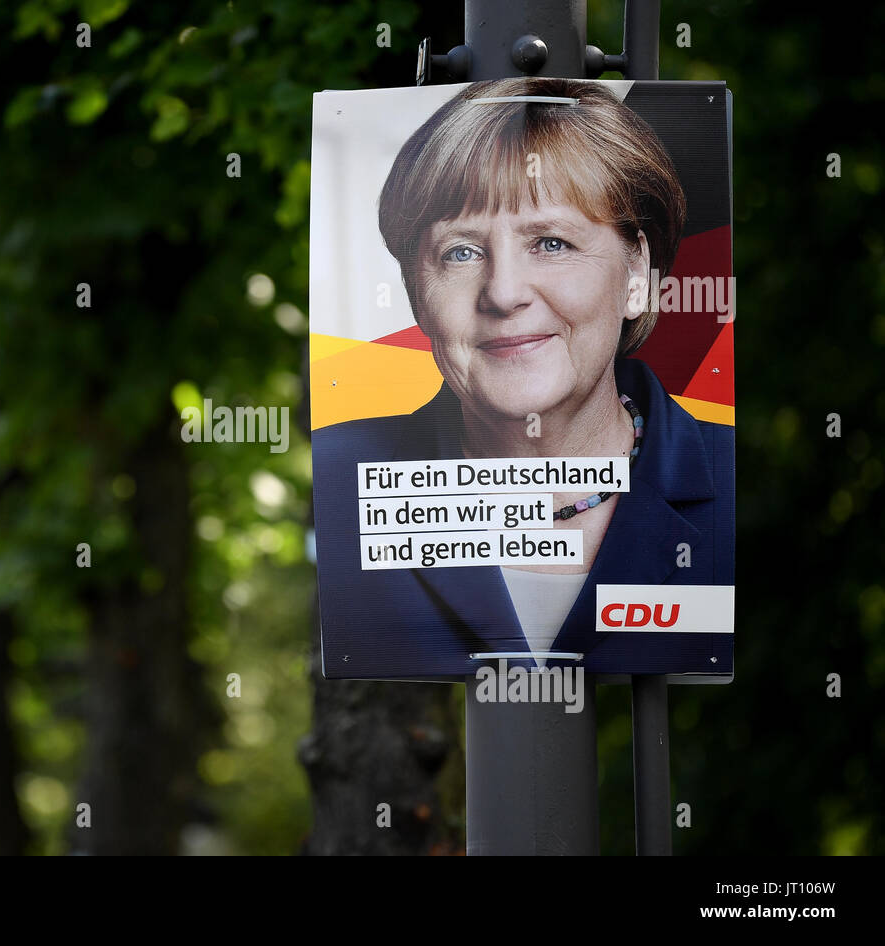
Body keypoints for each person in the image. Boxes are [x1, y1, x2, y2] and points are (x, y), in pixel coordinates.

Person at [312, 77, 735, 678]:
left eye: (553, 242)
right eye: (461, 252)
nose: (504, 293)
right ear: (416, 293)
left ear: (636, 270)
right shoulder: (336, 478)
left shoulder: (741, 482)